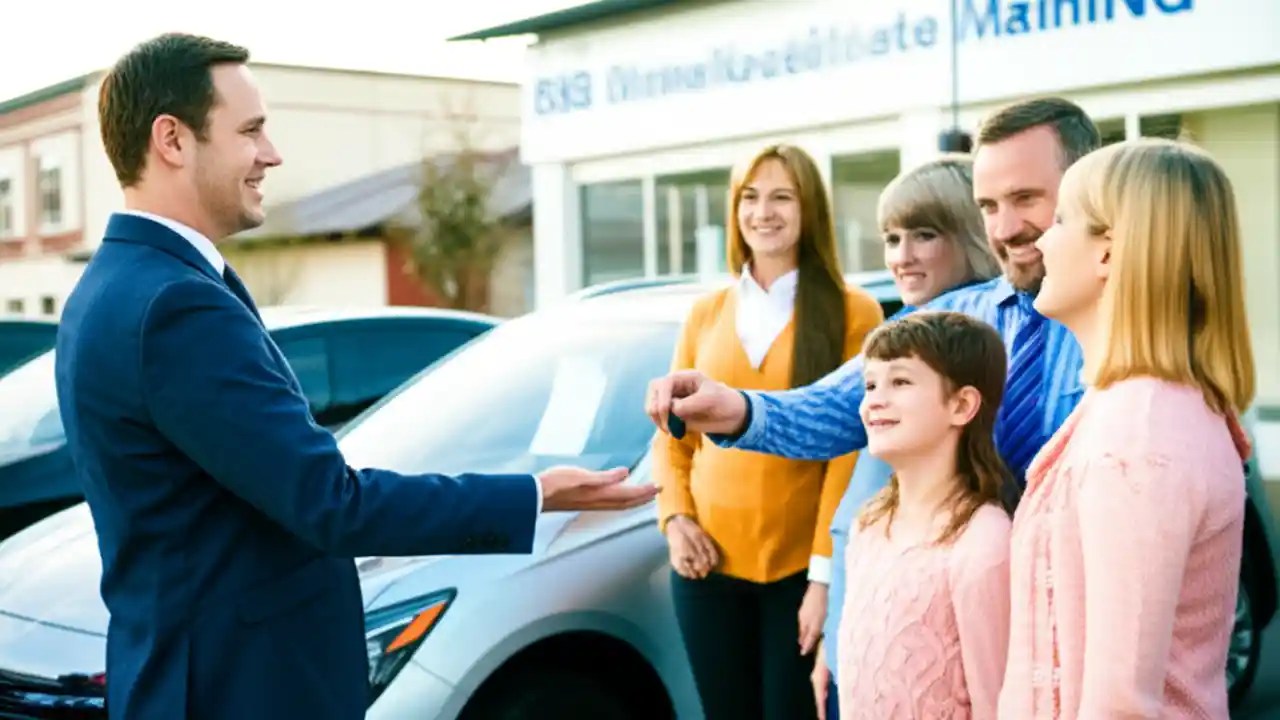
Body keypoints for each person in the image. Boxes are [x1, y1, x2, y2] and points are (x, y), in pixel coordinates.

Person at [54, 34, 656, 720]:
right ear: (172, 139)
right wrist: (534, 495)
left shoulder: (114, 286)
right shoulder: (173, 303)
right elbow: (329, 504)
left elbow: (226, 501)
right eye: (250, 131)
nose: (271, 154)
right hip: (241, 690)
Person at [643, 95, 1099, 505]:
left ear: (1088, 190)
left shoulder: (1142, 321)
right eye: (989, 206)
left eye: (1025, 198)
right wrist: (737, 409)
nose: (1004, 228)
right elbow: (833, 408)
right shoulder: (947, 321)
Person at [997, 138, 1254, 718]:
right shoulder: (1138, 412)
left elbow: (1122, 705)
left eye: (1061, 220)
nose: (1041, 240)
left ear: (1108, 254)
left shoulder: (1139, 436)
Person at [653, 143, 884, 720]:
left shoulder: (854, 313)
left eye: (782, 196)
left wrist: (824, 578)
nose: (764, 212)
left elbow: (851, 454)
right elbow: (673, 435)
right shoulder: (706, 313)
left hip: (799, 576)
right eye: (750, 198)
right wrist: (675, 519)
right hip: (707, 571)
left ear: (810, 211)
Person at [811, 155, 1001, 719]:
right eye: (891, 238)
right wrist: (835, 633)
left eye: (923, 234)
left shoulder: (982, 544)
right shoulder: (875, 519)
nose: (901, 256)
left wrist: (738, 411)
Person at [836, 311, 1014, 719]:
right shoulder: (868, 526)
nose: (875, 400)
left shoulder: (982, 540)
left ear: (962, 404)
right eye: (870, 384)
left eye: (900, 381)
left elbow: (1000, 701)